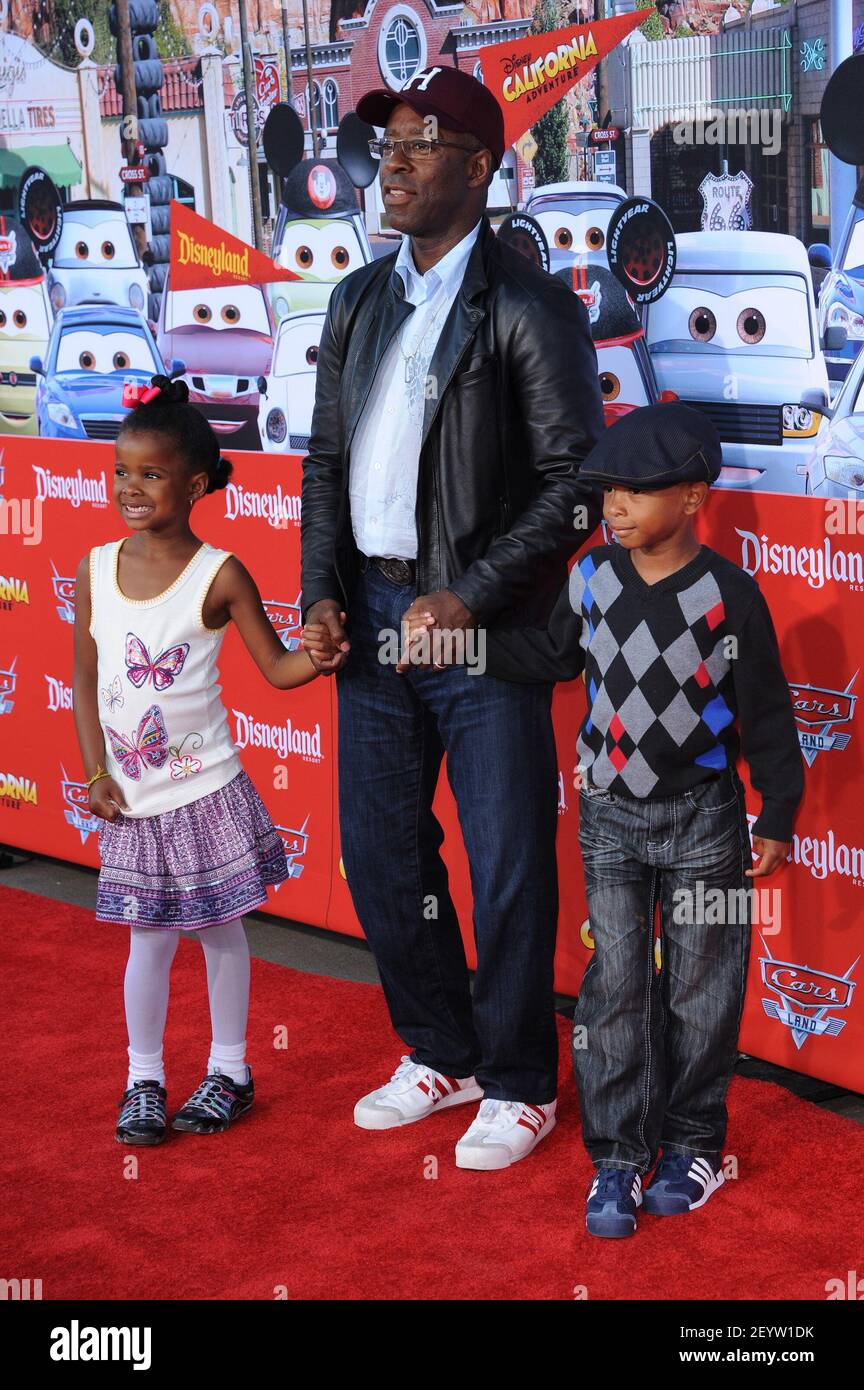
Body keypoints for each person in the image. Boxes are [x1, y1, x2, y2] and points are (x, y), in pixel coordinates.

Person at [301, 67, 605, 1170]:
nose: (392, 160)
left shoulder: (528, 304)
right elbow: (327, 459)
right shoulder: (355, 299)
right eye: (387, 143)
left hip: (479, 628)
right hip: (372, 618)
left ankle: (522, 1079)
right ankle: (441, 1049)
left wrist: (464, 596)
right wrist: (320, 591)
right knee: (381, 854)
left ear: (478, 167)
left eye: (421, 144)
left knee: (508, 857)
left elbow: (578, 479)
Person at [486, 401, 804, 1233]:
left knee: (705, 990)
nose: (614, 506)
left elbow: (767, 713)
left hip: (709, 823)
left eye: (634, 491)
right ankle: (618, 1159)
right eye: (607, 492)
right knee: (615, 991)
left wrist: (779, 813)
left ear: (695, 497)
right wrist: (459, 640)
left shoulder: (731, 594)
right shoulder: (589, 577)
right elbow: (553, 656)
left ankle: (695, 1143)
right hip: (608, 823)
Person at [72, 374, 335, 1146]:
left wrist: (319, 655)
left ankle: (231, 1071)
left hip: (206, 791)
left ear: (194, 485)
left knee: (220, 930)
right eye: (121, 470)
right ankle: (142, 1081)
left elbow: (280, 669)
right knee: (146, 940)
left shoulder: (219, 574)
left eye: (149, 474)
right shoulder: (94, 566)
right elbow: (86, 677)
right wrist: (95, 771)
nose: (129, 487)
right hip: (131, 796)